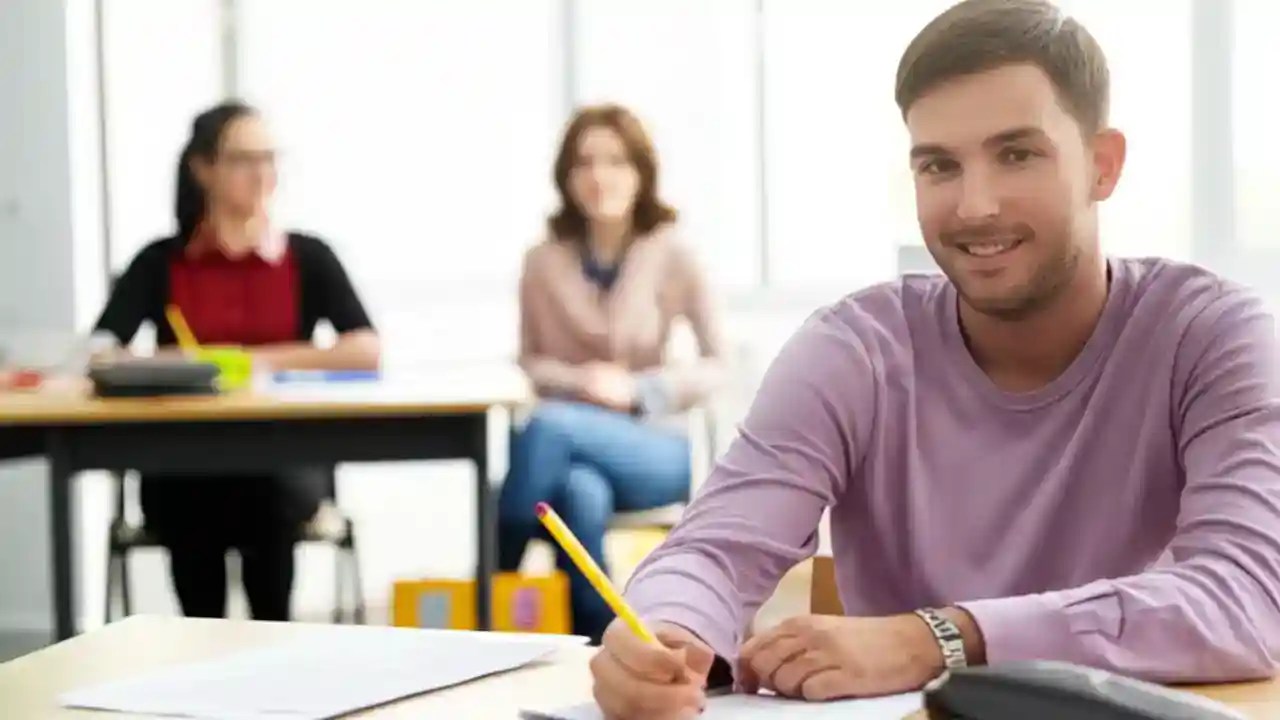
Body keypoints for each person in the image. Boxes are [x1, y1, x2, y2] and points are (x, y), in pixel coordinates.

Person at [588, 1, 1280, 716]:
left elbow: (1244, 596)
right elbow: (712, 552)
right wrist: (666, 634)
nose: (974, 205)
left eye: (1017, 154)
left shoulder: (1212, 335)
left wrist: (942, 638)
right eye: (940, 165)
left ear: (1102, 166)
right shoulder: (853, 348)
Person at [94, 101, 380, 621]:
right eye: (245, 159)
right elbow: (102, 348)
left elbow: (365, 347)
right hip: (181, 464)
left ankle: (270, 656)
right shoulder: (161, 261)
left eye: (270, 158)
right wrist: (162, 362)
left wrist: (252, 361)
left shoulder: (307, 257)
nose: (263, 173)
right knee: (191, 500)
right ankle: (202, 663)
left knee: (265, 495)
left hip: (280, 464)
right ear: (203, 169)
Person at [498, 104, 724, 644]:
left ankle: (492, 585)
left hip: (653, 446)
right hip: (571, 446)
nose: (599, 177)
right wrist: (585, 381)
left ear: (642, 171)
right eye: (584, 163)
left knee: (547, 428)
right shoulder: (541, 259)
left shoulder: (673, 253)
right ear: (566, 177)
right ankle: (601, 643)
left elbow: (718, 362)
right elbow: (530, 360)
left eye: (616, 162)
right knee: (579, 494)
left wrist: (640, 389)